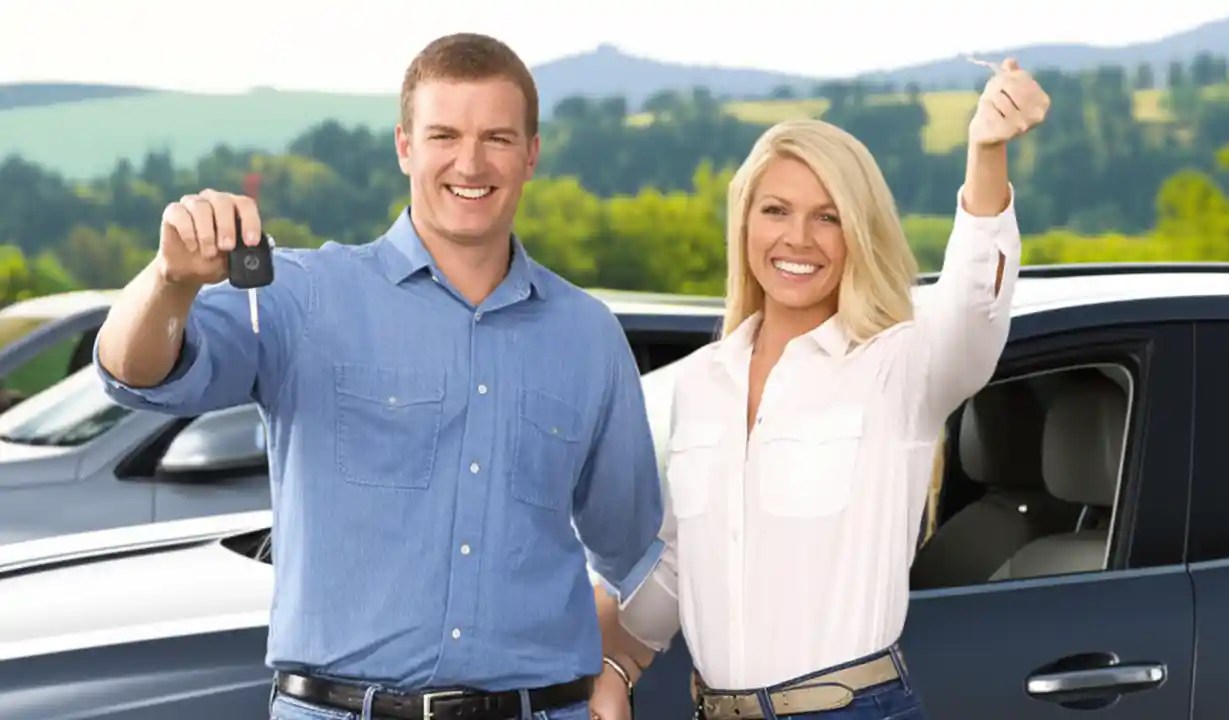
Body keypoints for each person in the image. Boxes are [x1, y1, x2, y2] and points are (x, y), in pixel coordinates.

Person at [93, 32, 665, 720]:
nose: (471, 162)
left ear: (532, 154)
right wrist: (169, 280)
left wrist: (613, 666)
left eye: (498, 138)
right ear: (404, 146)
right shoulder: (302, 296)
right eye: (444, 135)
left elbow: (634, 552)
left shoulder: (588, 336)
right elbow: (136, 374)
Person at [589, 59, 1050, 720]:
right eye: (775, 210)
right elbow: (680, 566)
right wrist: (612, 662)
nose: (796, 238)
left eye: (827, 216)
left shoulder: (900, 366)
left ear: (857, 231)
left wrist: (986, 152)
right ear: (745, 222)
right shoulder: (703, 381)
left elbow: (977, 302)